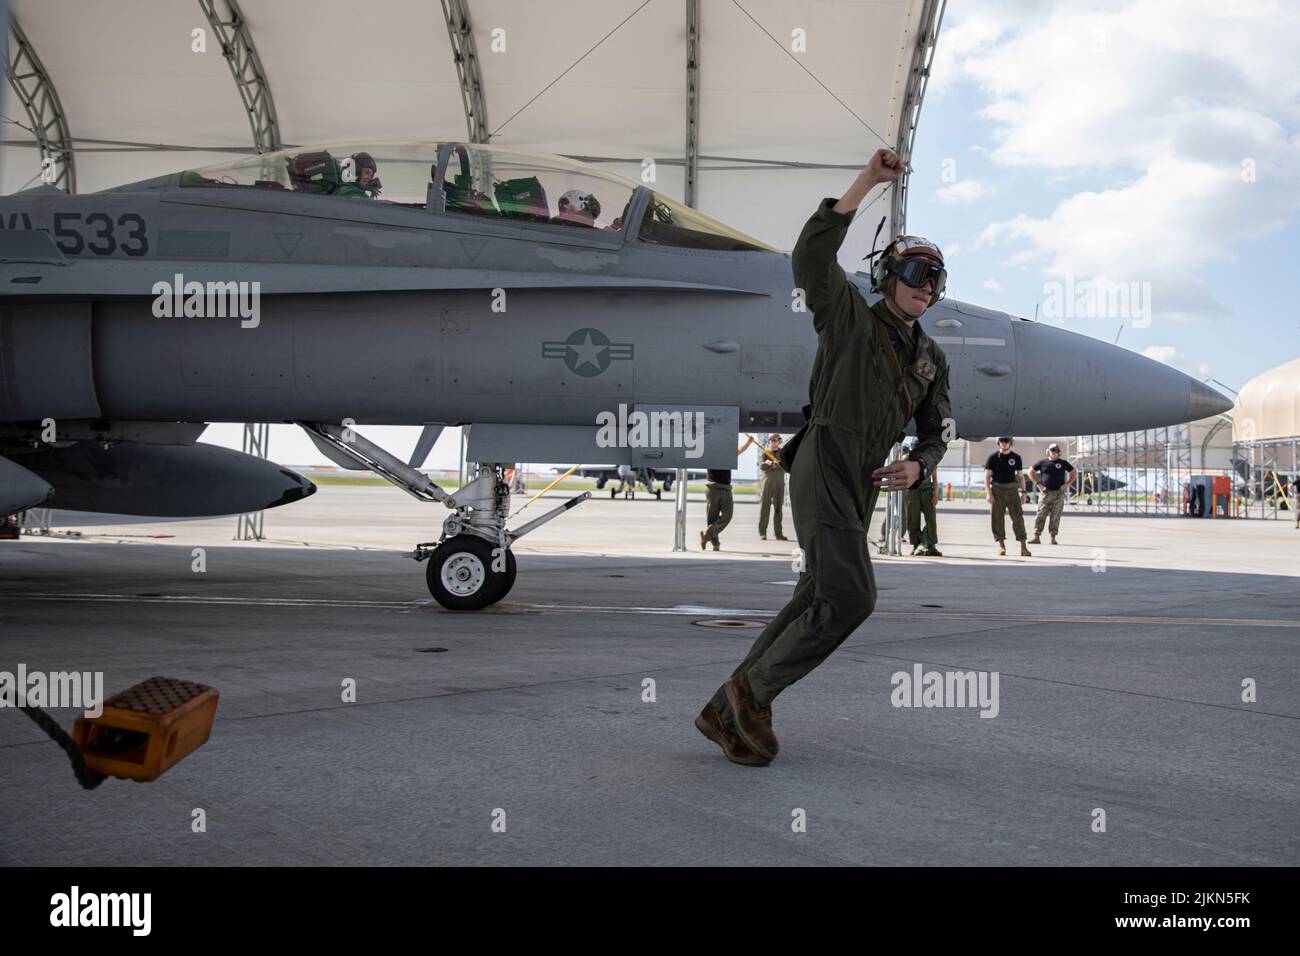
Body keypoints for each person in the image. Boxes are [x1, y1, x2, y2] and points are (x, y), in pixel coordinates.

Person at [695, 147, 952, 766]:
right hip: (824, 459)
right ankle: (752, 694)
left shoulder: (930, 359)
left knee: (816, 594)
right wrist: (866, 182)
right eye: (916, 273)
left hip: (865, 477)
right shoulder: (848, 320)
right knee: (851, 597)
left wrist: (920, 463)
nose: (925, 287)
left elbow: (938, 427)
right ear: (888, 276)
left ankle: (724, 710)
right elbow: (811, 258)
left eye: (936, 278)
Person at [985, 437, 1031, 556]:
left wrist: (1024, 493)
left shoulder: (1016, 458)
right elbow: (987, 476)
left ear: (1011, 443)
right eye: (1002, 441)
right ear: (998, 443)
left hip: (1012, 489)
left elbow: (1020, 476)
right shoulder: (993, 458)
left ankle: (1023, 546)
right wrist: (988, 493)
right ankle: (1001, 545)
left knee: (1018, 517)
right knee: (997, 518)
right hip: (997, 489)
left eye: (1007, 441)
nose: (1004, 444)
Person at [1028, 443, 1075, 544]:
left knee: (1055, 516)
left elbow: (1073, 472)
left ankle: (1052, 537)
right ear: (1048, 451)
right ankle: (1036, 536)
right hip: (1046, 492)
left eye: (1056, 451)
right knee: (1040, 514)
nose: (1054, 452)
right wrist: (1038, 484)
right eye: (1052, 450)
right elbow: (1030, 472)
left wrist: (1068, 484)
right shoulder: (1042, 463)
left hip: (1059, 493)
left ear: (1059, 453)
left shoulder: (1063, 463)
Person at [755, 434, 789, 541]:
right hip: (767, 483)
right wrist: (769, 465)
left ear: (779, 441)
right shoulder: (765, 453)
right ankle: (762, 532)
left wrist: (772, 465)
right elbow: (761, 465)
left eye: (775, 440)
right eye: (771, 440)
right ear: (769, 442)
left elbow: (785, 465)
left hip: (779, 483)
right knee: (765, 508)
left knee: (778, 508)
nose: (773, 442)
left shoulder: (782, 453)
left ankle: (778, 533)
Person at [906, 460, 941, 556]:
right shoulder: (908, 458)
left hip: (927, 491)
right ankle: (915, 545)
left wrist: (935, 494)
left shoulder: (929, 458)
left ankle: (931, 545)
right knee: (913, 519)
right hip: (912, 491)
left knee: (931, 518)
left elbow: (934, 478)